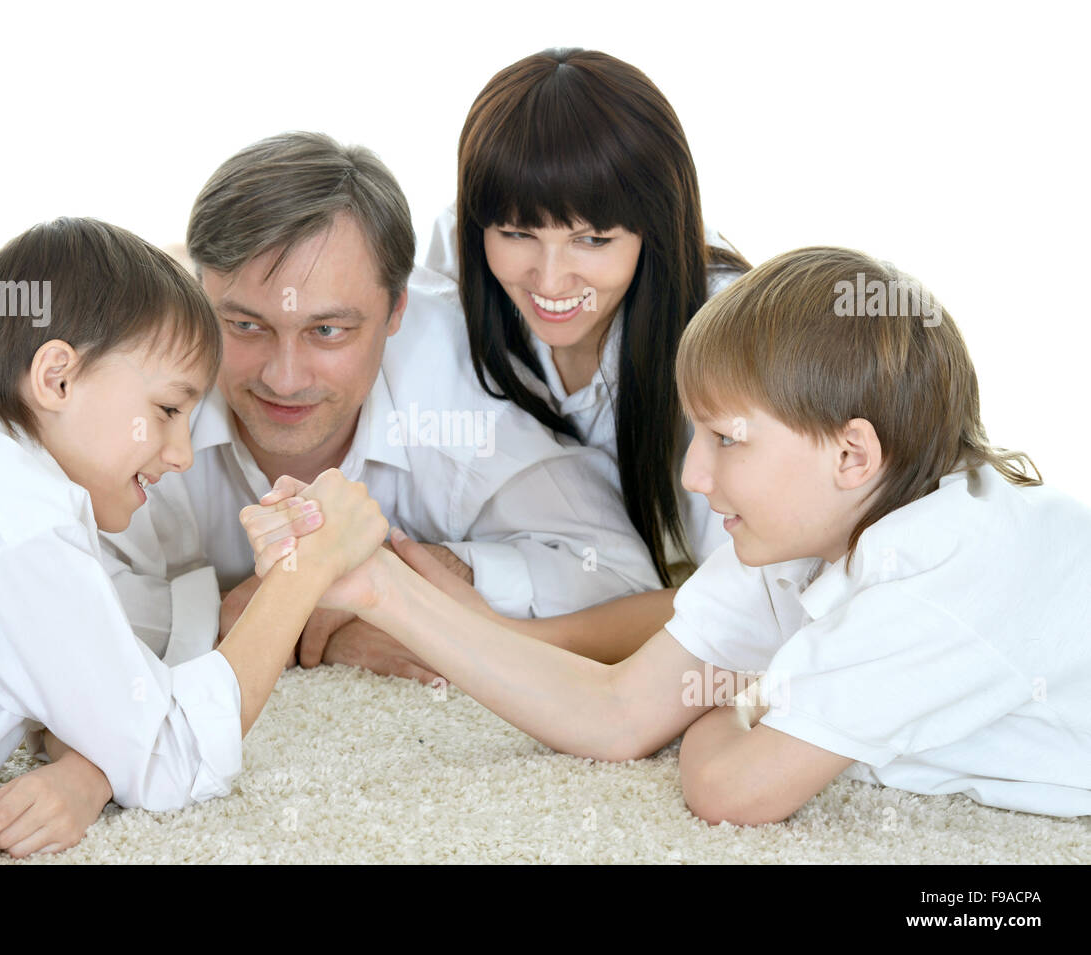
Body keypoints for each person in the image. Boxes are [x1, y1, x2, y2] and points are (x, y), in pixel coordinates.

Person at [252, 247, 1091, 821]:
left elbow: (732, 788)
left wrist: (742, 699)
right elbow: (615, 712)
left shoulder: (937, 571)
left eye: (726, 439)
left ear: (852, 453)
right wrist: (382, 588)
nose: (694, 476)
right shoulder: (798, 535)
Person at [0, 217, 388, 854]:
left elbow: (90, 671)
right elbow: (174, 755)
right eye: (167, 410)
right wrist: (305, 571)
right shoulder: (20, 534)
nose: (182, 453)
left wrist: (87, 773)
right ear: (57, 379)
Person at [100, 131, 663, 684]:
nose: (284, 377)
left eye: (327, 330)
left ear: (397, 310)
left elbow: (621, 576)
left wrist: (420, 580)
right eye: (246, 325)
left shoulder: (458, 390)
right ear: (198, 296)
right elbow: (41, 583)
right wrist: (271, 610)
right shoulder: (132, 382)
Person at [425, 48, 751, 598]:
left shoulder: (722, 333)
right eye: (517, 234)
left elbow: (743, 597)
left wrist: (484, 636)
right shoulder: (455, 257)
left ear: (655, 228)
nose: (550, 281)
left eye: (593, 240)